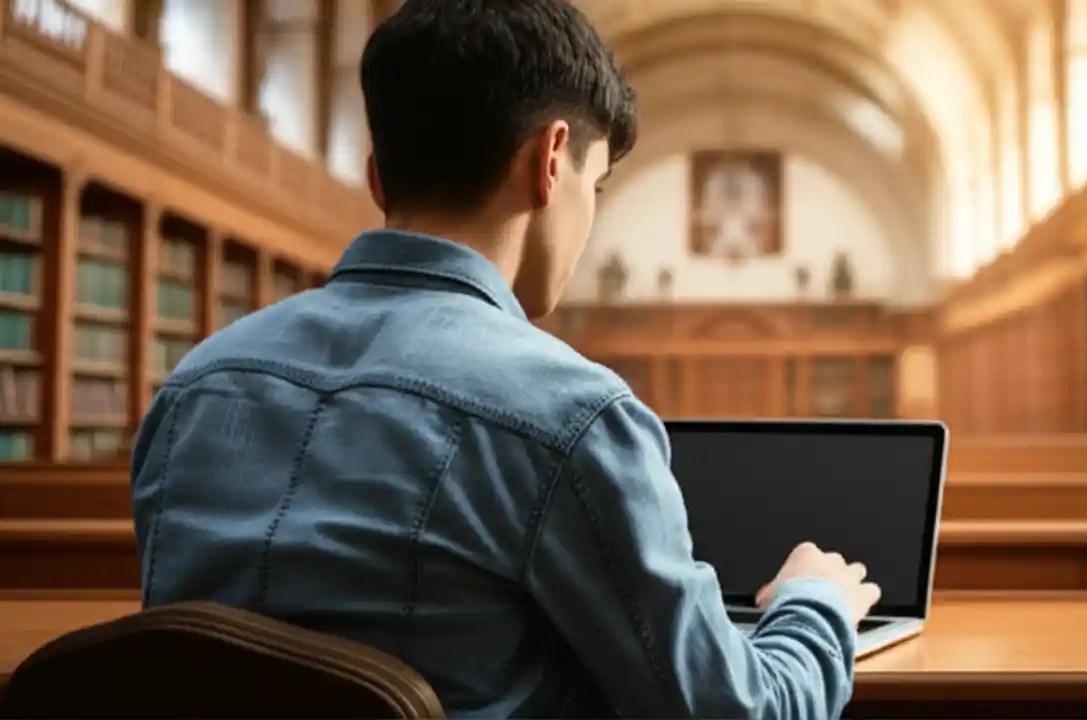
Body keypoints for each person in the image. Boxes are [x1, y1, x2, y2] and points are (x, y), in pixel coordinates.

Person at [129, 1, 881, 717]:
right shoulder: (571, 418)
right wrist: (816, 603)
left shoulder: (194, 389)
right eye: (598, 183)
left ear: (377, 177)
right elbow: (736, 713)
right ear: (551, 161)